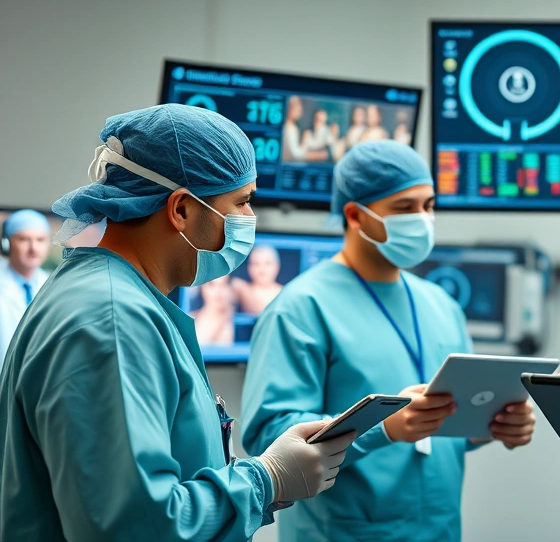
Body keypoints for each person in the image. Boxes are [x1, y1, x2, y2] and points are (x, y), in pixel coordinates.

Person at [0, 104, 356, 541]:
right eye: (242, 202)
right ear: (182, 209)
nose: (249, 221)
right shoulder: (111, 322)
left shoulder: (118, 298)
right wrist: (265, 480)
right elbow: (134, 526)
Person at [242, 140, 537, 542]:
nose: (423, 219)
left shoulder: (440, 305)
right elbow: (270, 439)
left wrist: (491, 424)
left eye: (429, 205)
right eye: (404, 208)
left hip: (439, 530)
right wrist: (385, 430)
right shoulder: (301, 308)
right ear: (354, 215)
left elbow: (442, 433)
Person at [0, 209, 51, 362]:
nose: (33, 248)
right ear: (6, 243)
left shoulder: (52, 285)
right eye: (23, 239)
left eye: (40, 240)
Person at [231, 244, 284, 314]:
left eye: (267, 263)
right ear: (249, 267)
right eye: (256, 264)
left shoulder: (284, 293)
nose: (262, 269)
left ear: (277, 266)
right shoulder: (242, 289)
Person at [192, 275, 237, 346]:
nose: (218, 292)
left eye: (224, 284)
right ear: (201, 288)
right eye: (212, 285)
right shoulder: (189, 318)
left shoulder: (236, 320)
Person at [282, 96, 329, 162]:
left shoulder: (293, 127)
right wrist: (316, 155)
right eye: (297, 106)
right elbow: (295, 155)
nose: (300, 109)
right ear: (289, 108)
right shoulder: (287, 128)